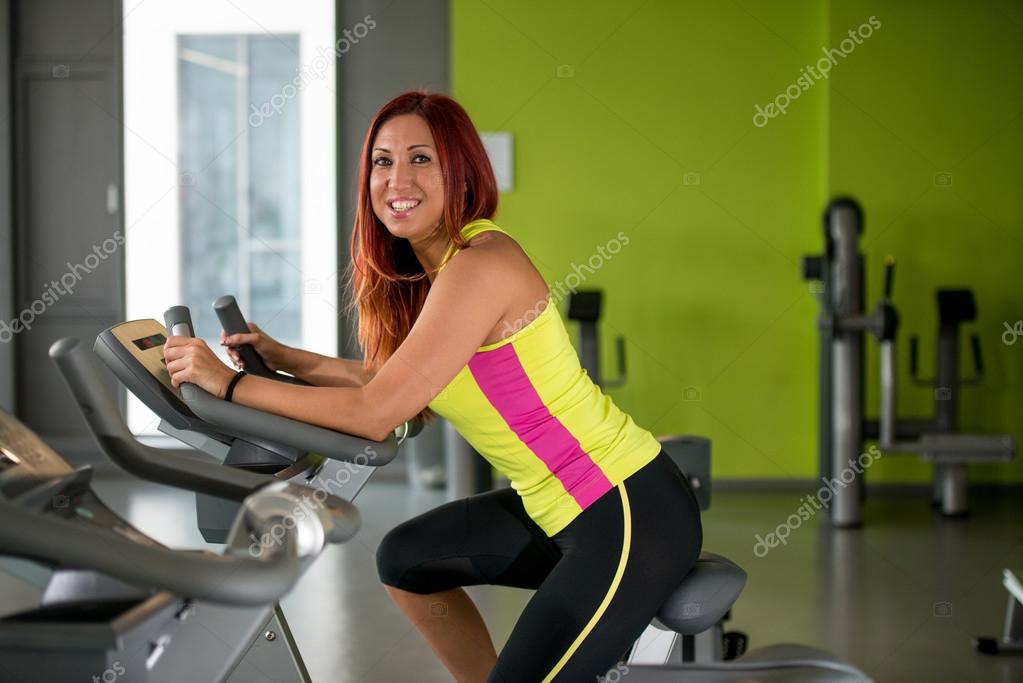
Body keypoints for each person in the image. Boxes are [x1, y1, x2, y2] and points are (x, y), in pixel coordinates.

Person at [164, 90, 703, 683]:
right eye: (382, 161)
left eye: (421, 159)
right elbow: (388, 379)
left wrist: (228, 389)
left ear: (461, 173)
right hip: (555, 508)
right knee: (406, 561)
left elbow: (378, 410)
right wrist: (282, 356)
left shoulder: (480, 262)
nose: (399, 178)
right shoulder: (439, 272)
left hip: (623, 508)